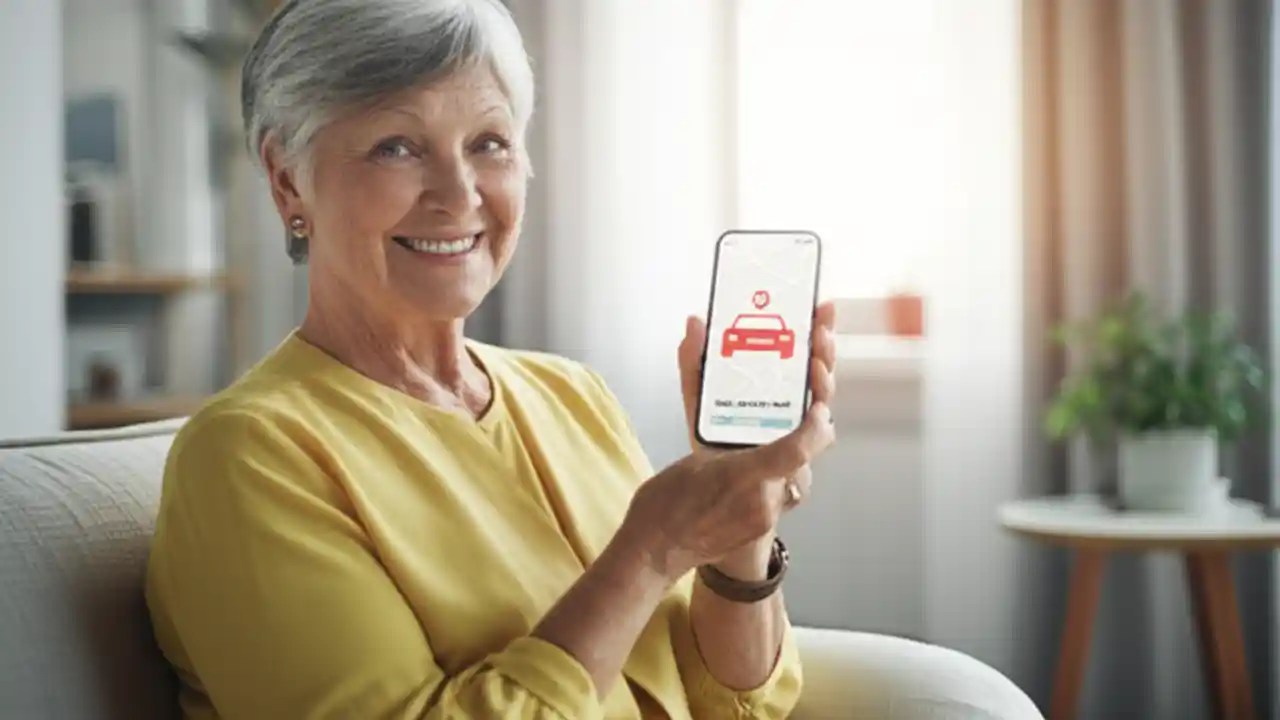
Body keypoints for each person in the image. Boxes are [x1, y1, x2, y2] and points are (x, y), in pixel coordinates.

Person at [145, 1, 838, 717]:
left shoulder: (572, 394)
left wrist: (739, 531)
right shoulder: (249, 454)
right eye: (397, 146)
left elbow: (732, 702)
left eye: (489, 143)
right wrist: (652, 548)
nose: (460, 194)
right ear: (288, 179)